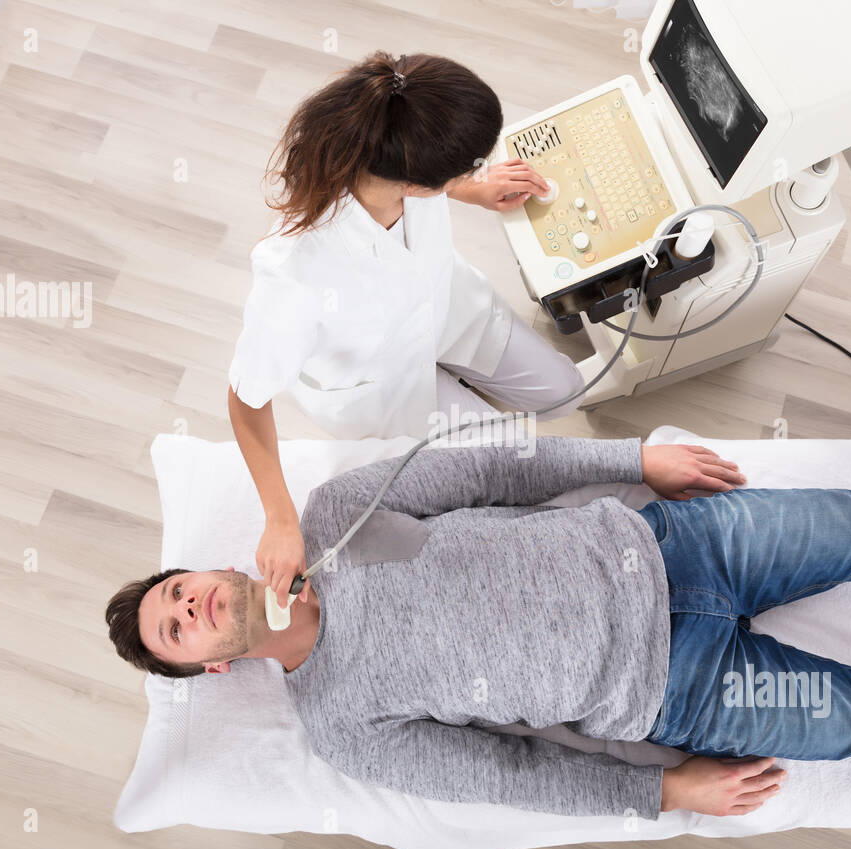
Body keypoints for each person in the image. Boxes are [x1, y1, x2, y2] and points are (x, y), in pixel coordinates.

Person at [105, 435, 851, 819]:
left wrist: (637, 459)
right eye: (177, 631)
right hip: (684, 688)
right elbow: (511, 776)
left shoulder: (334, 512)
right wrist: (659, 788)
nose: (187, 608)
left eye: (176, 592)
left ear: (210, 570)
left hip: (685, 545)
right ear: (216, 661)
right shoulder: (338, 721)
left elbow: (502, 467)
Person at [227, 49, 744, 617]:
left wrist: (474, 188)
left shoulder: (393, 135)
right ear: (416, 181)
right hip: (382, 386)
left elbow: (431, 181)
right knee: (508, 466)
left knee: (563, 393)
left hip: (450, 314)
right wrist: (279, 518)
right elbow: (245, 400)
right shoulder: (294, 273)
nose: (473, 170)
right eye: (463, 169)